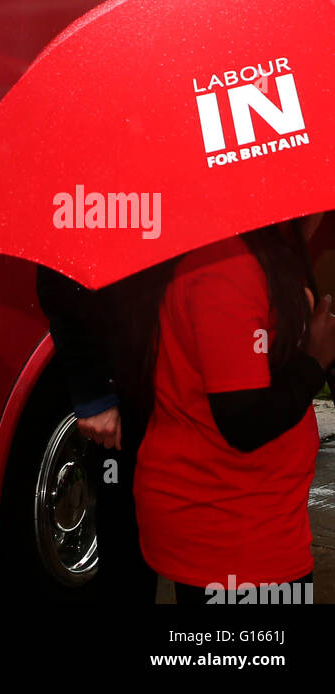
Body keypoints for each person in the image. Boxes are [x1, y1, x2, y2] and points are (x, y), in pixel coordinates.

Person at [130, 216, 335, 604]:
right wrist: (314, 363)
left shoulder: (268, 253)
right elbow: (243, 421)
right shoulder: (229, 267)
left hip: (263, 515)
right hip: (231, 530)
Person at [36, 265, 157, 602]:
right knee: (125, 538)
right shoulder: (95, 214)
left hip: (187, 387)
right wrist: (93, 394)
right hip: (126, 395)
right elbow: (56, 282)